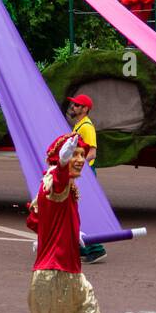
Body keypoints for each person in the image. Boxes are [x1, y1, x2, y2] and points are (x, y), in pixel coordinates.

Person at [25, 132, 114, 313]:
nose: (80, 159)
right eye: (74, 154)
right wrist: (62, 166)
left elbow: (35, 218)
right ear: (59, 157)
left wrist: (67, 234)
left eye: (82, 155)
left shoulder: (67, 189)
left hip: (76, 279)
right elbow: (56, 187)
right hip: (52, 279)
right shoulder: (54, 181)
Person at [64, 94, 105, 265]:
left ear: (85, 109)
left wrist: (77, 165)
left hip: (85, 173)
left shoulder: (86, 127)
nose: (73, 107)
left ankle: (96, 249)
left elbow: (92, 153)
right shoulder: (79, 125)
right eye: (73, 104)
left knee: (83, 212)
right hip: (80, 173)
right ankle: (81, 246)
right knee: (74, 210)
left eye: (76, 105)